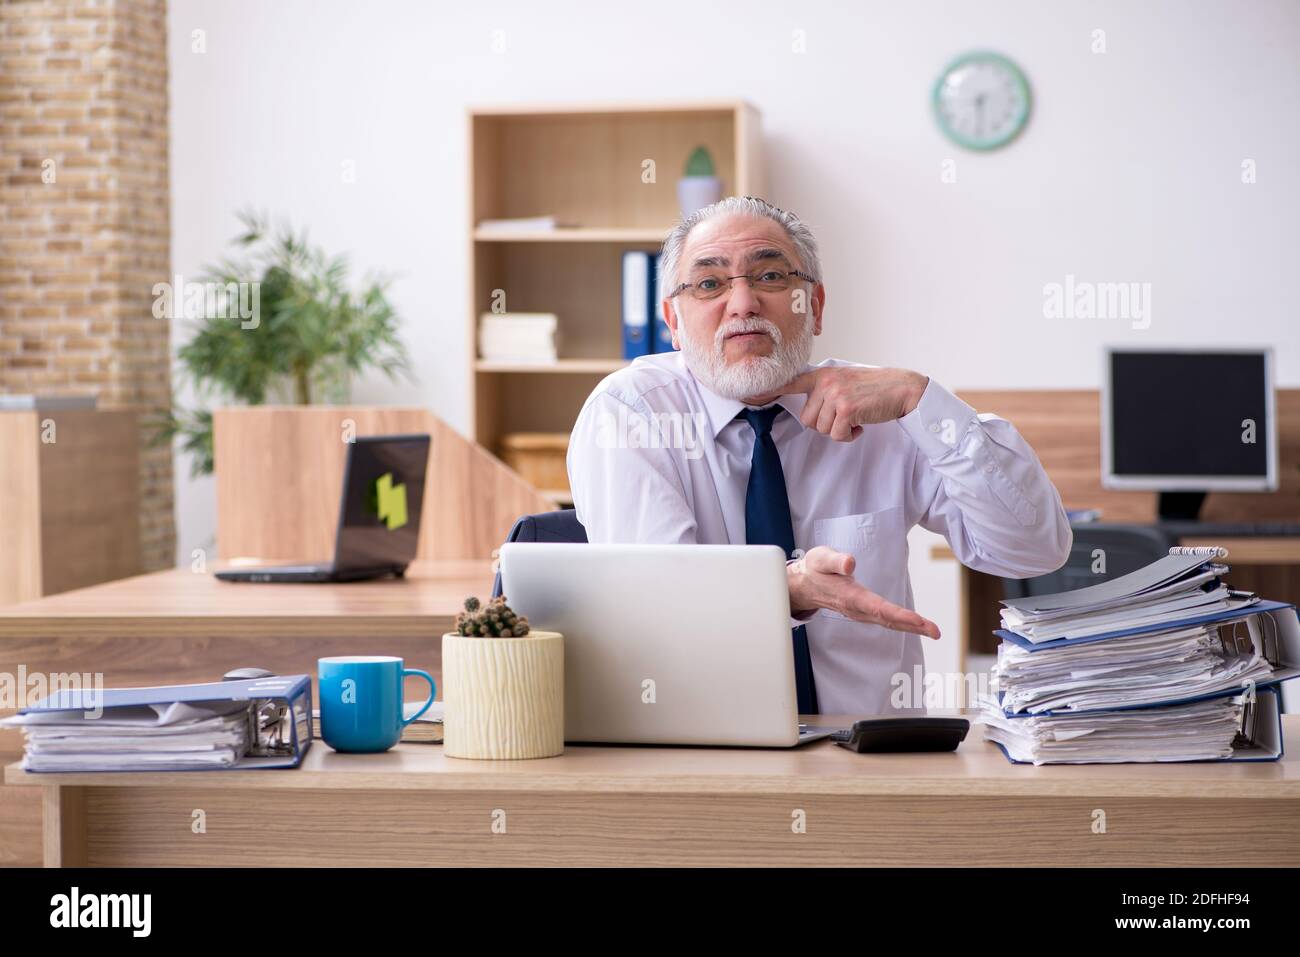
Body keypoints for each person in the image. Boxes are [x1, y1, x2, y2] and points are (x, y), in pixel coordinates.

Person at [567, 196, 1071, 715]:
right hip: (705, 757)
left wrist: (925, 401)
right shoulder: (631, 414)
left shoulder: (882, 408)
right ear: (673, 320)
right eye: (710, 284)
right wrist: (783, 590)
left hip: (872, 760)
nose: (742, 304)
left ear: (817, 306)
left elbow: (1033, 549)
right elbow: (652, 603)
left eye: (769, 276)